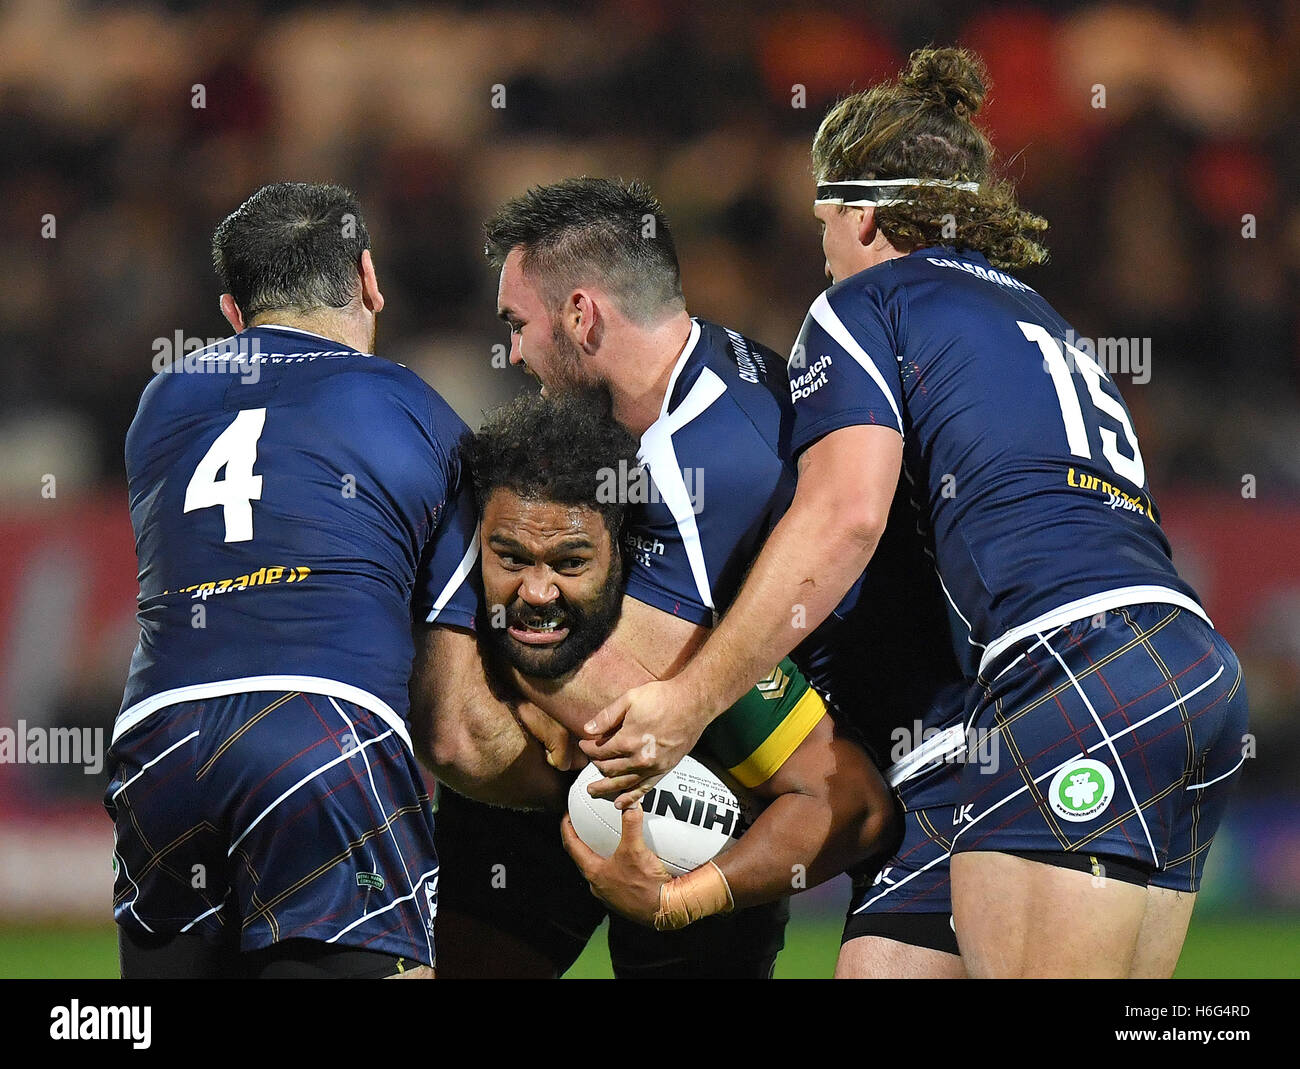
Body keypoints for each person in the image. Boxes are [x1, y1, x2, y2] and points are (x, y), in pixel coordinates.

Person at [581, 48, 1251, 979]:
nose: (820, 245)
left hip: (1067, 665)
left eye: (824, 219)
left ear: (860, 213)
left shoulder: (866, 302)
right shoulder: (1039, 319)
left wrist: (686, 703)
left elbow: (844, 518)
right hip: (1174, 668)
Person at [429, 177, 896, 978]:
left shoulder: (704, 457)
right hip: (698, 760)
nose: (510, 353)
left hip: (758, 779)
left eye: (517, 324)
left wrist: (467, 636)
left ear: (582, 315)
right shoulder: (652, 407)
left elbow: (618, 692)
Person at [104, 182, 562, 980]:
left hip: (157, 747)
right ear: (370, 278)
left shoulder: (159, 405)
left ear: (233, 312)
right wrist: (577, 788)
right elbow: (454, 730)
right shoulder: (416, 412)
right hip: (321, 741)